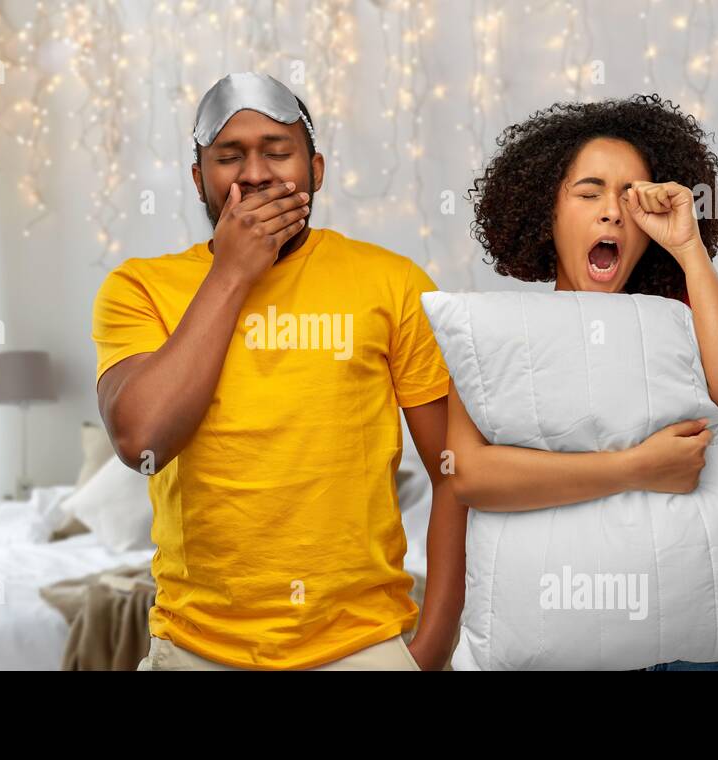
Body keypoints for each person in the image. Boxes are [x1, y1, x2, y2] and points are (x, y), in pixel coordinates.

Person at [93, 72, 464, 670]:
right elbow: (142, 442)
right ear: (198, 179)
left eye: (277, 151)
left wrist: (434, 644)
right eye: (229, 156)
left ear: (316, 170)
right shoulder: (139, 287)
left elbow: (455, 474)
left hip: (363, 647)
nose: (256, 174)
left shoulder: (393, 283)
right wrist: (232, 272)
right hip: (193, 648)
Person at [430, 94, 718, 671]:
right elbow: (468, 474)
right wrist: (634, 468)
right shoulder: (499, 334)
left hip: (694, 659)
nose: (611, 212)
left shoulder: (685, 316)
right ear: (546, 213)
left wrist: (690, 250)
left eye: (631, 199)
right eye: (589, 193)